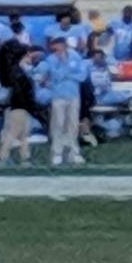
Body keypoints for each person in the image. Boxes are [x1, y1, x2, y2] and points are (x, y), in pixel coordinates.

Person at [42, 35, 87, 167]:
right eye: (54, 45)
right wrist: (64, 65)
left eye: (58, 44)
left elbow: (82, 76)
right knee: (58, 124)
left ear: (63, 44)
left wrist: (67, 73)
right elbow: (55, 76)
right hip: (58, 96)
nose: (56, 48)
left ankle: (74, 152)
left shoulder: (76, 56)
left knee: (73, 125)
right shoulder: (51, 59)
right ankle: (57, 153)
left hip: (73, 95)